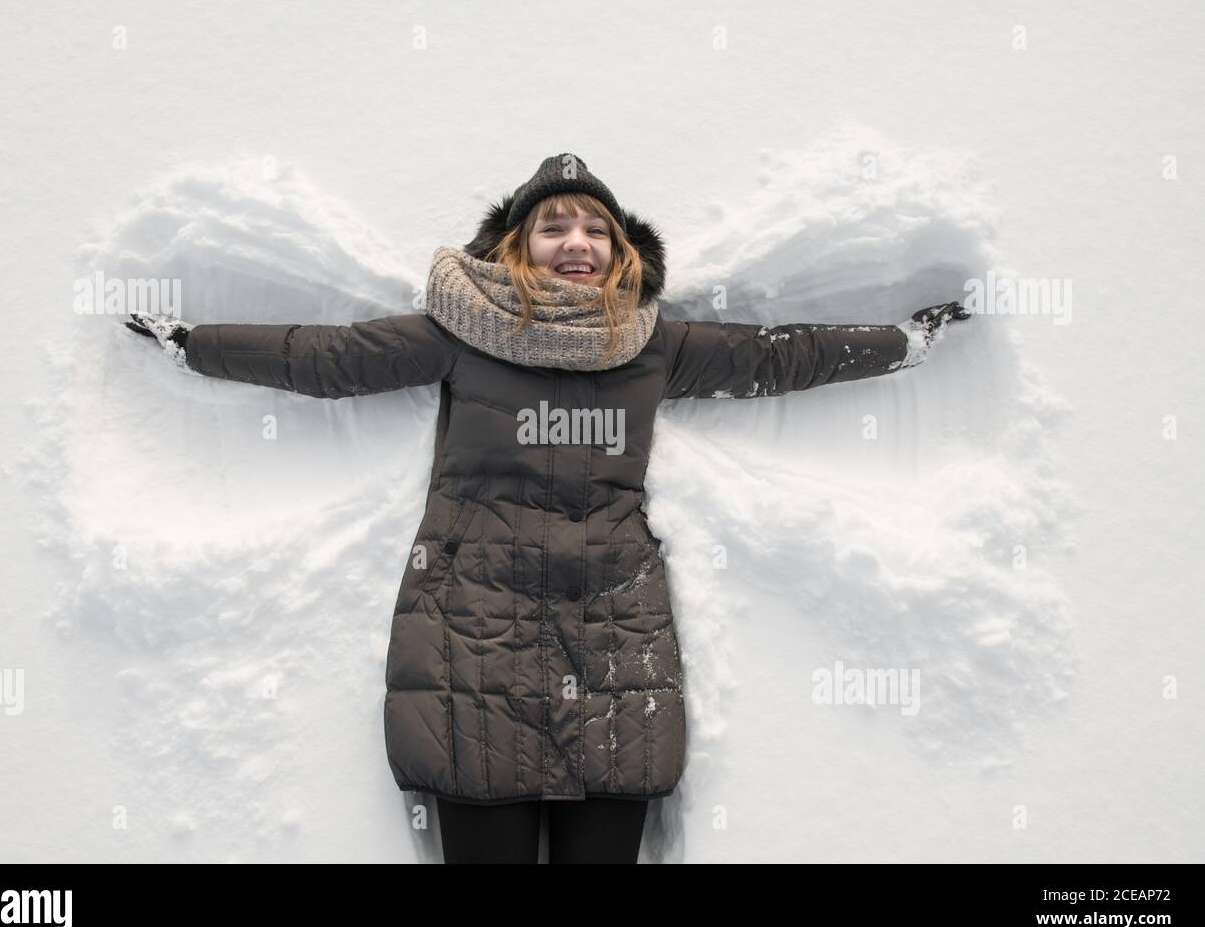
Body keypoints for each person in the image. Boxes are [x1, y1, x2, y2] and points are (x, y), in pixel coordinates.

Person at [123, 152, 971, 863]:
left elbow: (785, 358)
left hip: (614, 634)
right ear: (517, 244)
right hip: (471, 632)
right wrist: (195, 345)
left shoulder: (651, 343)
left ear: (622, 250)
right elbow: (328, 359)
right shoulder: (460, 331)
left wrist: (902, 343)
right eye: (555, 226)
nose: (579, 243)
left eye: (597, 228)